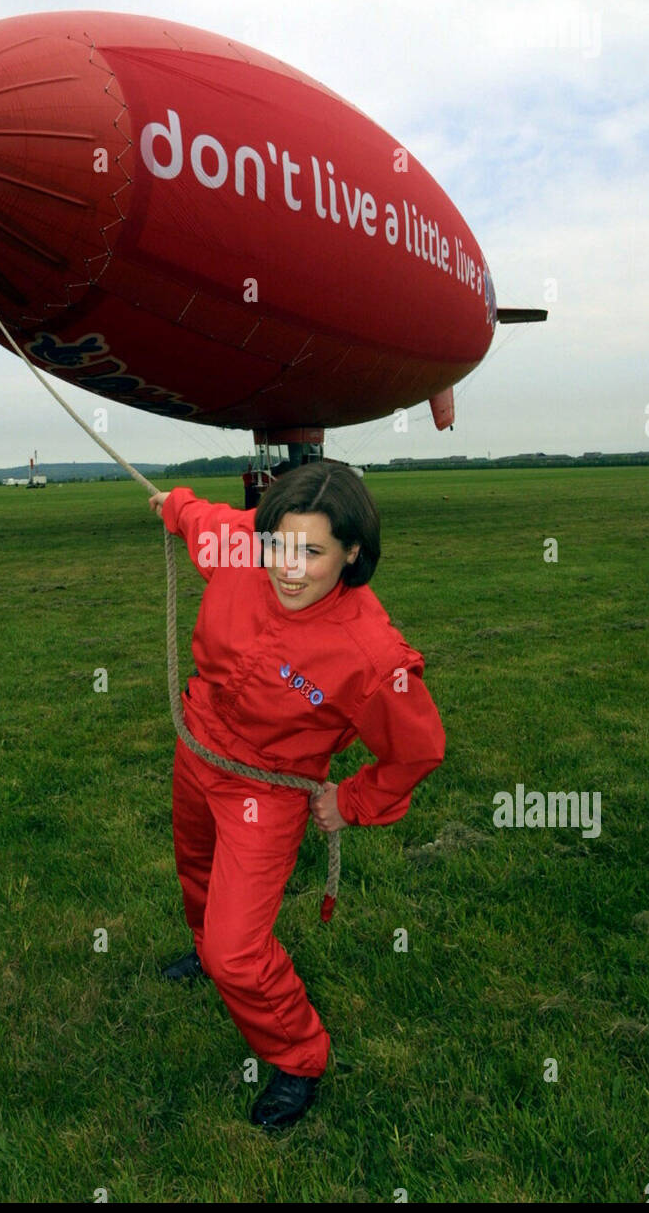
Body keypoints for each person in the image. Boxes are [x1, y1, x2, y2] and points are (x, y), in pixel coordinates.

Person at [148, 461, 445, 1131]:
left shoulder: (371, 654)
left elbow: (419, 749)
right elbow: (198, 519)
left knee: (238, 952)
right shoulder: (239, 547)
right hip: (196, 748)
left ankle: (297, 1057)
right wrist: (173, 503)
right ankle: (201, 946)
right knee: (194, 866)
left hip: (268, 787)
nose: (288, 567)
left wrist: (352, 800)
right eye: (279, 544)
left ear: (352, 553)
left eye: (312, 551)